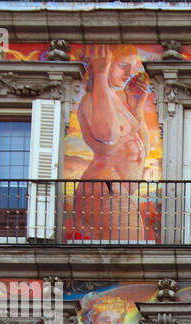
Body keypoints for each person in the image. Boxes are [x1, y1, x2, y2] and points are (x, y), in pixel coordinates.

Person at [69, 45, 151, 241]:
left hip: (117, 190)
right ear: (105, 63)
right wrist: (100, 74)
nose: (130, 74)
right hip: (105, 188)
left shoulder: (114, 98)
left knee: (132, 254)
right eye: (123, 66)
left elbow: (143, 149)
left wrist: (136, 109)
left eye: (133, 67)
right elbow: (108, 136)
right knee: (130, 256)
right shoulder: (93, 99)